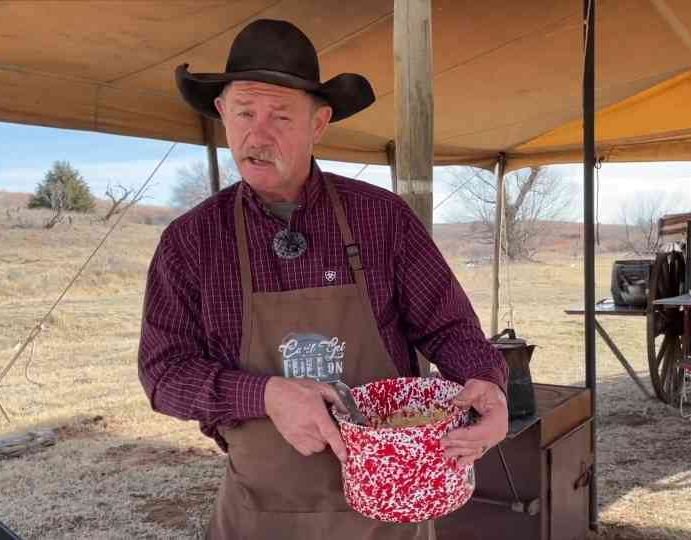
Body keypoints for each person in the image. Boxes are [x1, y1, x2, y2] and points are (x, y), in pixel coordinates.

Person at [138, 19, 509, 540]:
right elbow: (164, 374)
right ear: (222, 113)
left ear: (319, 123)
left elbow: (451, 329)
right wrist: (266, 395)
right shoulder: (192, 241)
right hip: (259, 516)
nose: (257, 135)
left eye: (281, 116)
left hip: (389, 515)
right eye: (244, 113)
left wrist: (488, 385)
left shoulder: (382, 218)